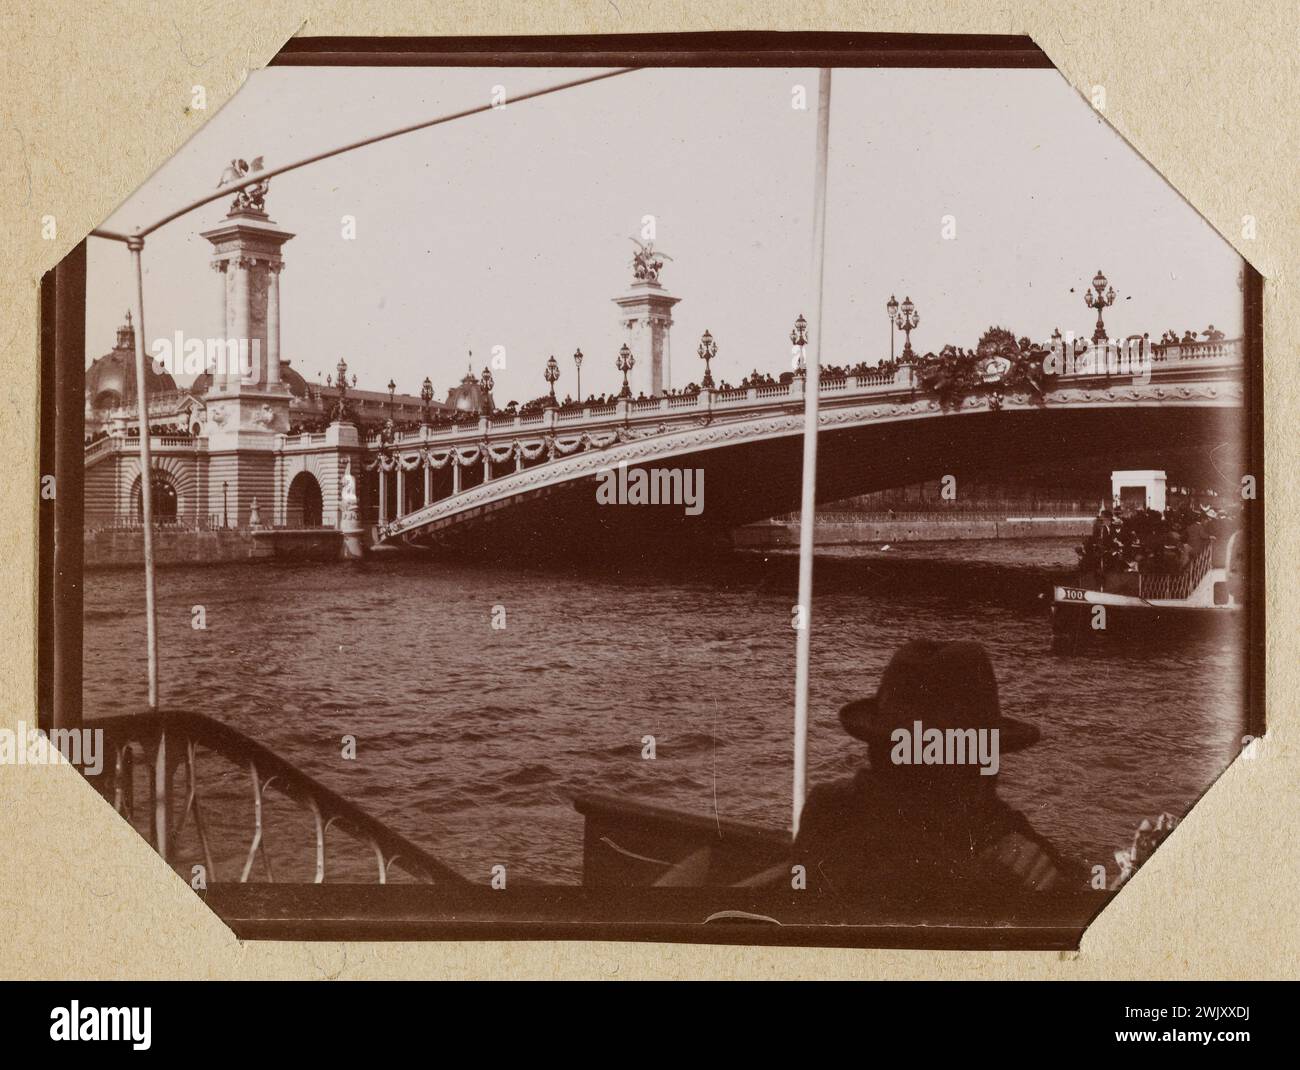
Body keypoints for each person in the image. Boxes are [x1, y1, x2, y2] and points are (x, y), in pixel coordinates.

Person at [793, 640, 1082, 897]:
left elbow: (1067, 878)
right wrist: (998, 880)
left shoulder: (989, 821)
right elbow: (896, 879)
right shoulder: (835, 817)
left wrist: (1050, 874)